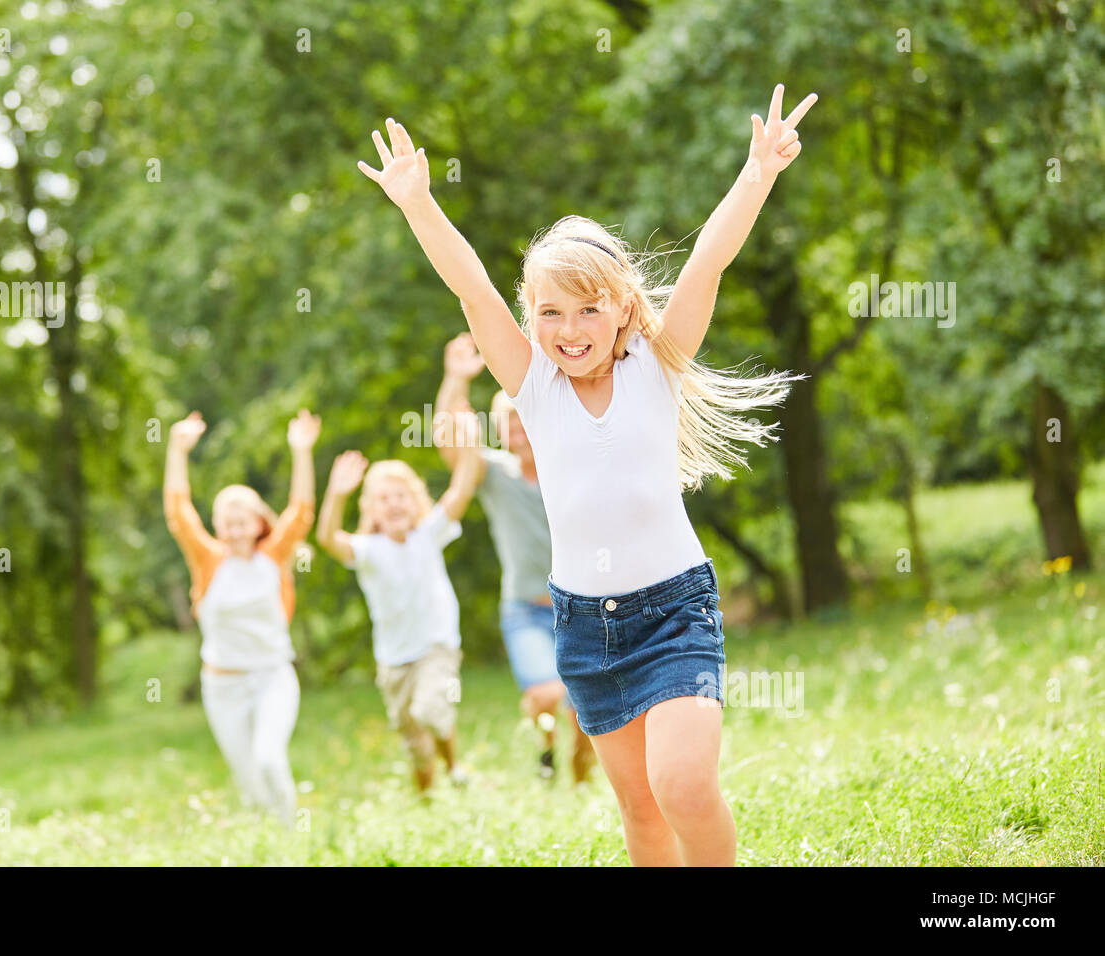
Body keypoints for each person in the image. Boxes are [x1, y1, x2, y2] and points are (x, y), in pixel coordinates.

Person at [356, 84, 816, 865]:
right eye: (550, 315)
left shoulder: (657, 367)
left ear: (625, 310)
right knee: (639, 814)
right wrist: (417, 205)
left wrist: (758, 172)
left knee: (683, 787)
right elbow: (469, 286)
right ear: (531, 318)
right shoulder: (531, 387)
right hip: (584, 627)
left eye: (589, 311)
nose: (570, 332)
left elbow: (708, 259)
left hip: (674, 611)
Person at [434, 331, 595, 784]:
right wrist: (455, 379)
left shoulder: (570, 466)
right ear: (501, 433)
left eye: (526, 422)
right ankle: (547, 745)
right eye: (510, 426)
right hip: (525, 610)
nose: (520, 432)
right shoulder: (495, 474)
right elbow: (449, 437)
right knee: (548, 694)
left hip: (580, 606)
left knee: (584, 719)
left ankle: (576, 775)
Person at [163, 408, 320, 828]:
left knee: (270, 759)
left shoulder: (275, 558)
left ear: (256, 523)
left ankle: (292, 840)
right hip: (223, 685)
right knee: (249, 783)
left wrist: (301, 450)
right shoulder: (208, 562)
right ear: (216, 526)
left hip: (272, 677)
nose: (233, 530)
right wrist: (177, 451)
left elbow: (301, 510)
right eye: (225, 523)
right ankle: (265, 846)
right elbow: (178, 513)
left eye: (240, 522)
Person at [315, 421, 481, 794]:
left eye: (401, 496)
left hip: (437, 645)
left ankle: (454, 767)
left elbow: (460, 491)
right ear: (371, 509)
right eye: (383, 499)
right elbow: (327, 538)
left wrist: (470, 445)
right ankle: (426, 800)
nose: (393, 504)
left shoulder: (427, 535)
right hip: (393, 660)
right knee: (416, 746)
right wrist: (337, 494)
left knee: (430, 709)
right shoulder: (370, 551)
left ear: (416, 502)